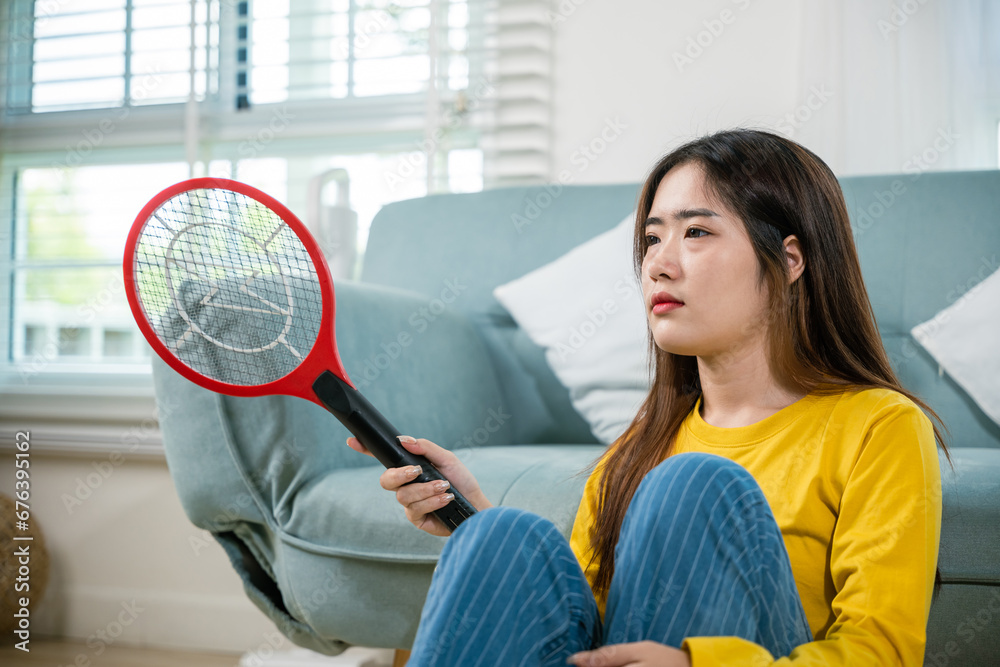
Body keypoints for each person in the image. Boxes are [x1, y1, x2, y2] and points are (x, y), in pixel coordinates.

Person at [346, 128, 947, 666]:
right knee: (501, 534)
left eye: (696, 232)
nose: (659, 264)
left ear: (789, 260)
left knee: (692, 486)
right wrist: (468, 520)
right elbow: (585, 630)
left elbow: (882, 652)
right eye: (652, 239)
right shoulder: (639, 448)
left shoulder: (879, 426)